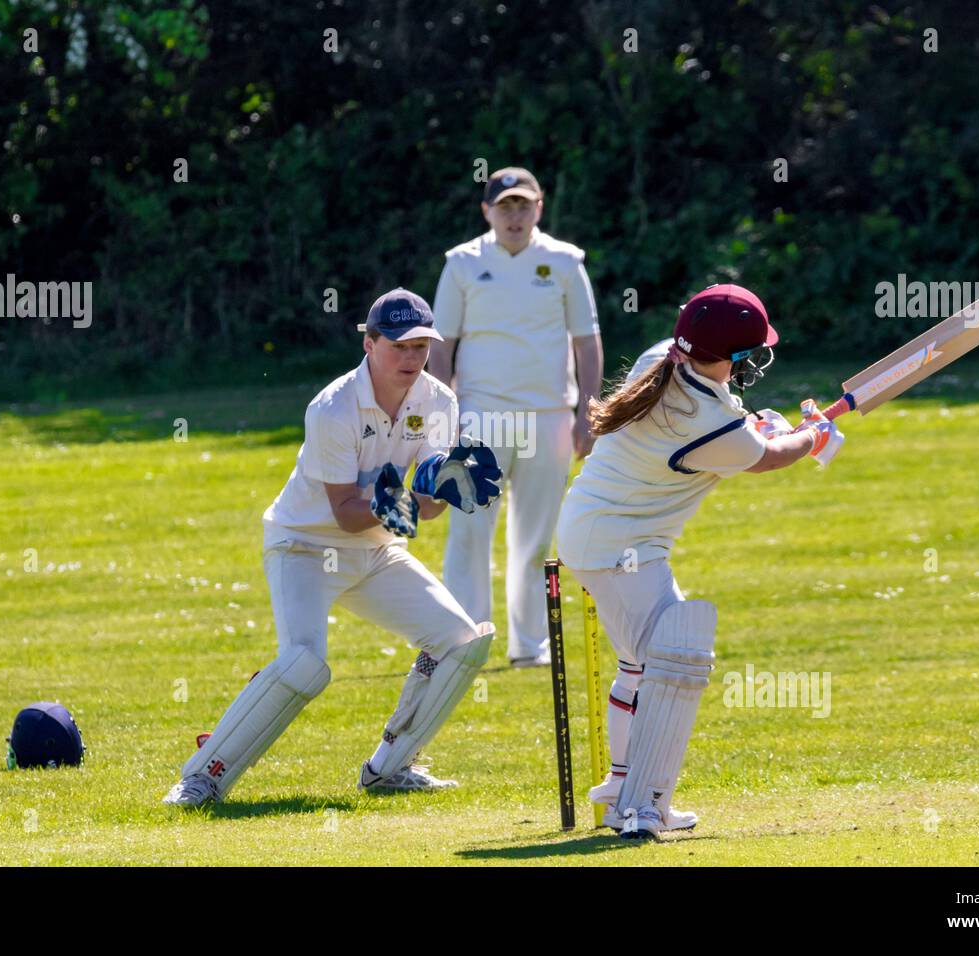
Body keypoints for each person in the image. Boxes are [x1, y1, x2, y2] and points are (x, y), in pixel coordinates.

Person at [164, 289, 503, 807]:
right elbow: (345, 511)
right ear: (369, 344)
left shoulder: (439, 399)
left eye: (421, 346)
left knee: (460, 640)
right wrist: (399, 506)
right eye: (399, 346)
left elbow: (424, 508)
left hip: (376, 550)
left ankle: (390, 767)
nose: (412, 358)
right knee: (304, 664)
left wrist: (445, 488)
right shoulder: (332, 407)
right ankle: (202, 777)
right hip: (304, 546)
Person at [555, 284, 844, 840]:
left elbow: (741, 432)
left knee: (642, 664)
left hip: (598, 534)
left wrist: (771, 426)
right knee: (675, 662)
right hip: (621, 549)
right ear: (735, 358)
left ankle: (622, 787)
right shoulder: (701, 418)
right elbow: (765, 458)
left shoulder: (660, 359)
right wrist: (812, 436)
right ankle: (639, 805)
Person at [430, 166, 603, 667]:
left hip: (549, 414)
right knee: (469, 532)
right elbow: (442, 345)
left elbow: (586, 341)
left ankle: (530, 647)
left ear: (539, 208)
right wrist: (444, 413)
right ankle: (462, 645)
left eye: (523, 206)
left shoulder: (566, 262)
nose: (515, 216)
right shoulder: (462, 263)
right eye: (505, 207)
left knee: (535, 537)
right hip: (479, 415)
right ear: (487, 211)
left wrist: (587, 412)